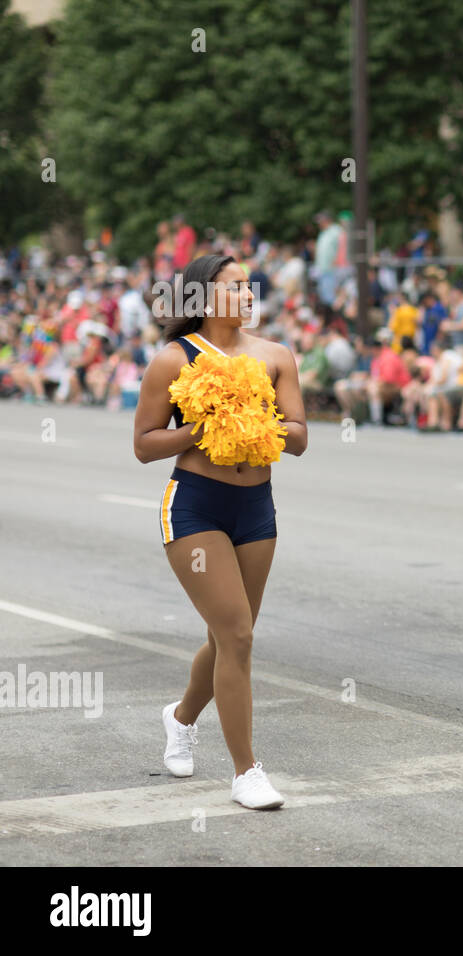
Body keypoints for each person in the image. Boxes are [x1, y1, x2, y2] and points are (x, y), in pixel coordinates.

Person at [132, 254, 308, 810]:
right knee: (237, 637)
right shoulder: (173, 359)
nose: (248, 293)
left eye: (248, 285)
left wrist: (261, 418)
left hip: (255, 507)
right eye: (234, 286)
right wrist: (203, 426)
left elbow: (300, 436)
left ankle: (181, 718)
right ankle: (246, 771)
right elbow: (143, 444)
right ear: (204, 298)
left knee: (229, 635)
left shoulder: (275, 356)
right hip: (194, 508)